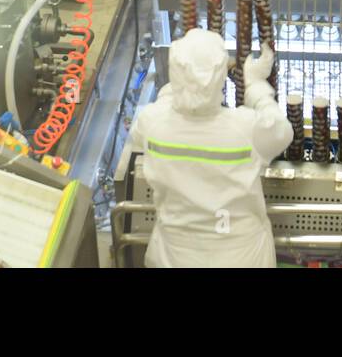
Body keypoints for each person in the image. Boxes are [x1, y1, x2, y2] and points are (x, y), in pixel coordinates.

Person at [118, 28, 293, 268]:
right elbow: (282, 131)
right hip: (240, 256)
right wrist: (256, 86)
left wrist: (182, 86)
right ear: (220, 77)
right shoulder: (245, 128)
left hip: (175, 257)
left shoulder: (152, 122)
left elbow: (160, 110)